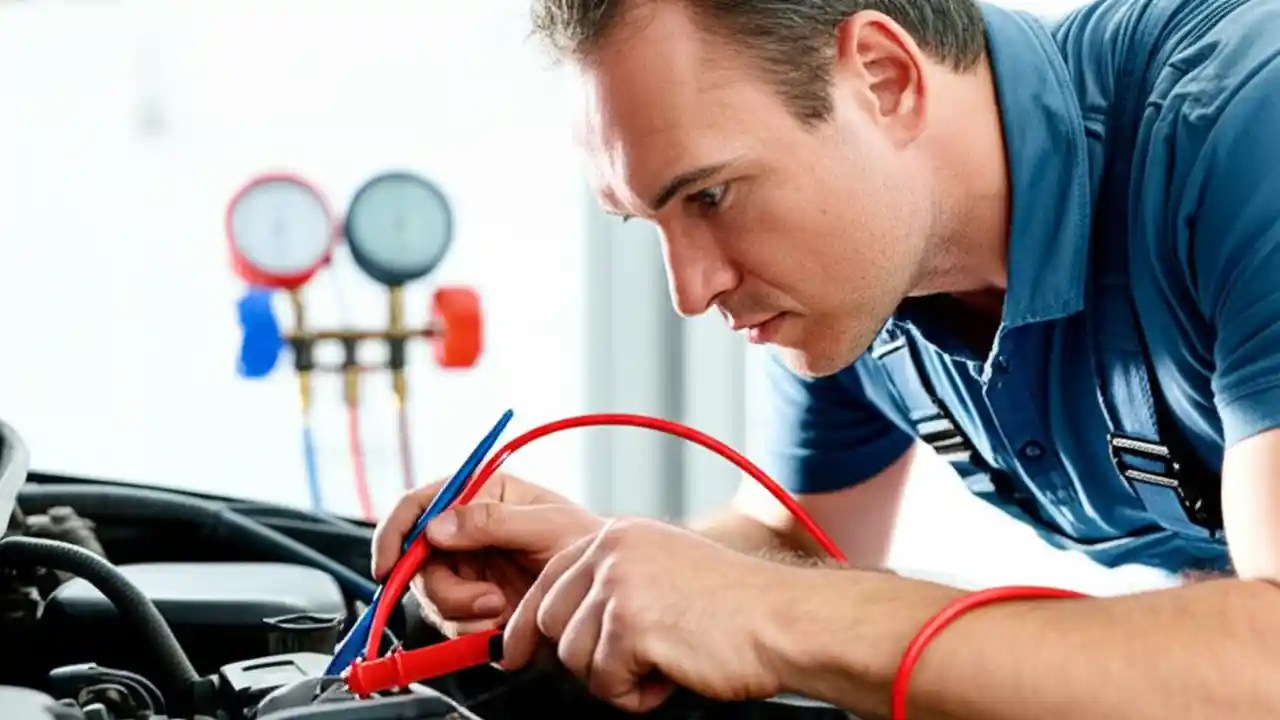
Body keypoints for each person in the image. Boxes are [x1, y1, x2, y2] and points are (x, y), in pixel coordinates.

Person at [374, 0, 1280, 716]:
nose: (690, 291)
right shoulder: (862, 276)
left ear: (883, 79)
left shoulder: (1248, 129)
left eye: (713, 195)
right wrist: (597, 568)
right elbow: (796, 548)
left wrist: (769, 612)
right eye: (649, 223)